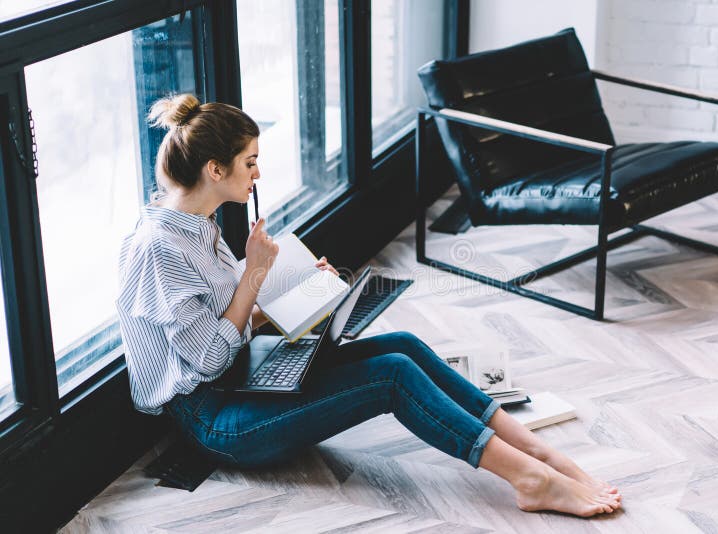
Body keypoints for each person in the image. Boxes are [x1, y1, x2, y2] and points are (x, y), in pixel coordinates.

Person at [116, 93, 622, 518]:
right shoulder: (159, 248)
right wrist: (254, 273)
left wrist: (304, 295)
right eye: (249, 161)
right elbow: (208, 360)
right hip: (216, 421)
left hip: (241, 380)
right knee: (391, 378)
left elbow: (233, 325)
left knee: (402, 346)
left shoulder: (200, 229)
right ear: (214, 168)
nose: (257, 172)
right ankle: (531, 479)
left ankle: (536, 450)